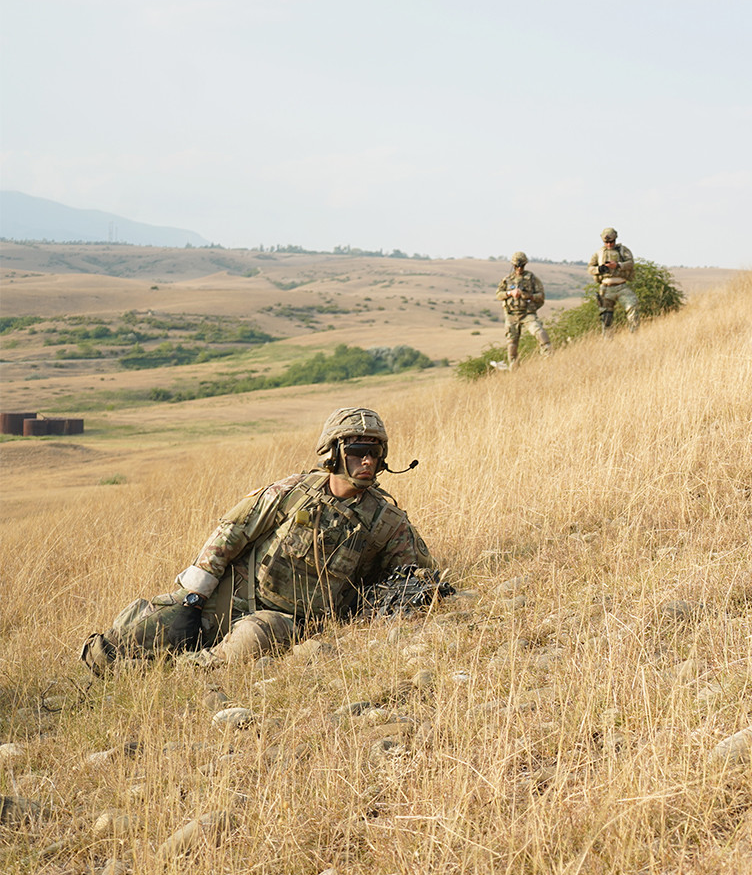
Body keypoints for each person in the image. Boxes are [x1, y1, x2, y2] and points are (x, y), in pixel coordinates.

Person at [79, 408, 437, 674]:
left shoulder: (386, 520)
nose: (368, 461)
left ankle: (170, 676)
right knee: (131, 635)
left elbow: (417, 575)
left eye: (375, 453)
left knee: (248, 641)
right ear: (333, 453)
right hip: (230, 594)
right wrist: (193, 598)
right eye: (359, 450)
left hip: (283, 618)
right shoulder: (293, 492)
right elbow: (232, 532)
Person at [496, 251, 551, 365]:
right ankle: (514, 369)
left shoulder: (531, 278)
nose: (519, 268)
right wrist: (510, 293)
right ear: (513, 265)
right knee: (512, 345)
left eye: (522, 266)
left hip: (527, 313)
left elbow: (541, 296)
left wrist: (528, 296)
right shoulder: (507, 280)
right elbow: (498, 295)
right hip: (512, 315)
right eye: (517, 266)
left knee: (540, 333)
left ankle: (548, 360)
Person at [587, 227, 639, 332]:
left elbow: (630, 263)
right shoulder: (598, 253)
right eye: (606, 242)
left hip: (622, 287)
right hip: (606, 289)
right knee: (606, 317)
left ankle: (634, 333)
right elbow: (590, 268)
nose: (609, 244)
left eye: (611, 242)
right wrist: (599, 269)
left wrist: (618, 265)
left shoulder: (623, 251)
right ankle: (607, 341)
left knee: (633, 306)